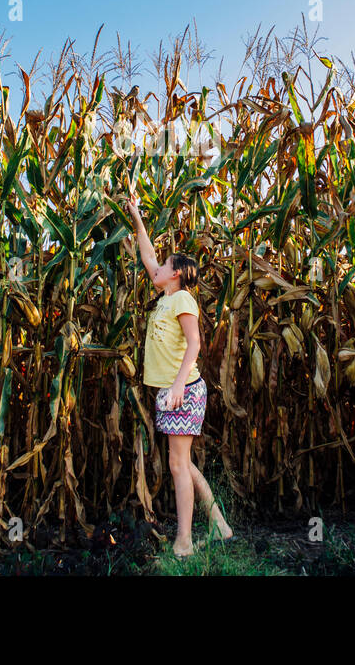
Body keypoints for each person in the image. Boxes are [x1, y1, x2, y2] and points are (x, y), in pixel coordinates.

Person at [125, 190, 234, 557]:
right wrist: (137, 217)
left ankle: (185, 541)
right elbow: (147, 255)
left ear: (175, 274)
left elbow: (195, 344)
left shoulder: (183, 298)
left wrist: (175, 387)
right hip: (173, 390)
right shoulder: (166, 297)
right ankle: (219, 523)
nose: (154, 269)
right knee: (183, 461)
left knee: (176, 463)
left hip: (183, 389)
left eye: (162, 266)